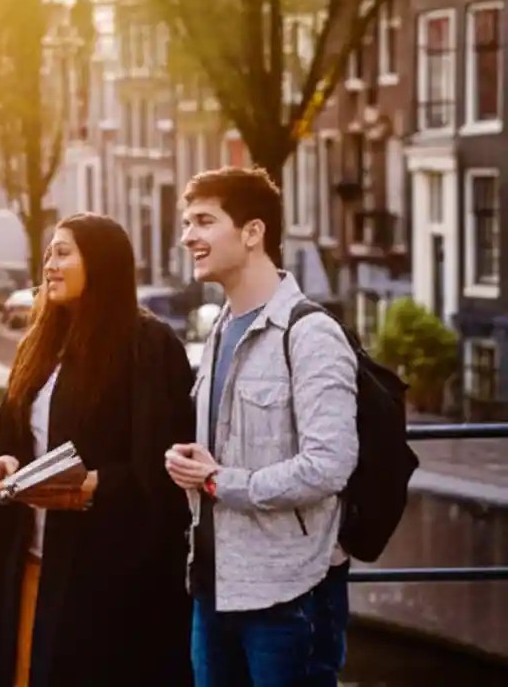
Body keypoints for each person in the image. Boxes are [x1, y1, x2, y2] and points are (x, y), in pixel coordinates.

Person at [0, 213, 194, 687]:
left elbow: (162, 466)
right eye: (49, 252)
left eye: (64, 252)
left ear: (102, 263)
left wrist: (95, 488)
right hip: (28, 570)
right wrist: (1, 466)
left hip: (100, 588)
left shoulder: (148, 346)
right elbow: (4, 442)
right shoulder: (40, 345)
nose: (50, 264)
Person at [166, 167, 358, 687]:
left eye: (204, 221)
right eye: (187, 223)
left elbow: (330, 464)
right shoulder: (220, 330)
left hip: (288, 594)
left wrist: (217, 481)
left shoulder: (311, 334)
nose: (188, 237)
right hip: (214, 588)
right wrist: (190, 461)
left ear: (253, 233)